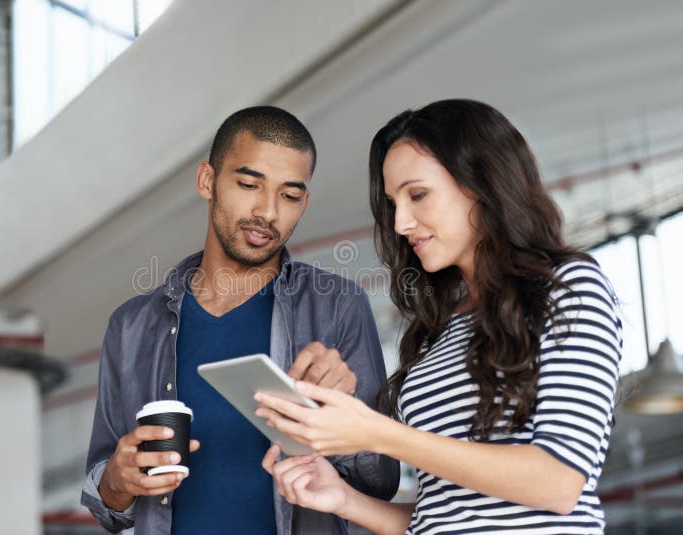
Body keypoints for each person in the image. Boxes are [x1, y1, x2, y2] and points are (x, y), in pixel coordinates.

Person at [256, 99, 623, 534]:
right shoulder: (436, 333)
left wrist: (376, 433)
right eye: (394, 203)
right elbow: (446, 515)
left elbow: (558, 482)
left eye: (418, 195)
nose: (401, 222)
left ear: (482, 184)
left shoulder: (567, 287)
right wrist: (344, 498)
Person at [81, 105, 399, 534]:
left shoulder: (338, 307)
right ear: (207, 181)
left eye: (289, 195)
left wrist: (334, 416)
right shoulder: (132, 326)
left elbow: (380, 480)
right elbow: (106, 502)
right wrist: (117, 480)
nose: (268, 212)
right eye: (249, 184)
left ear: (304, 202)